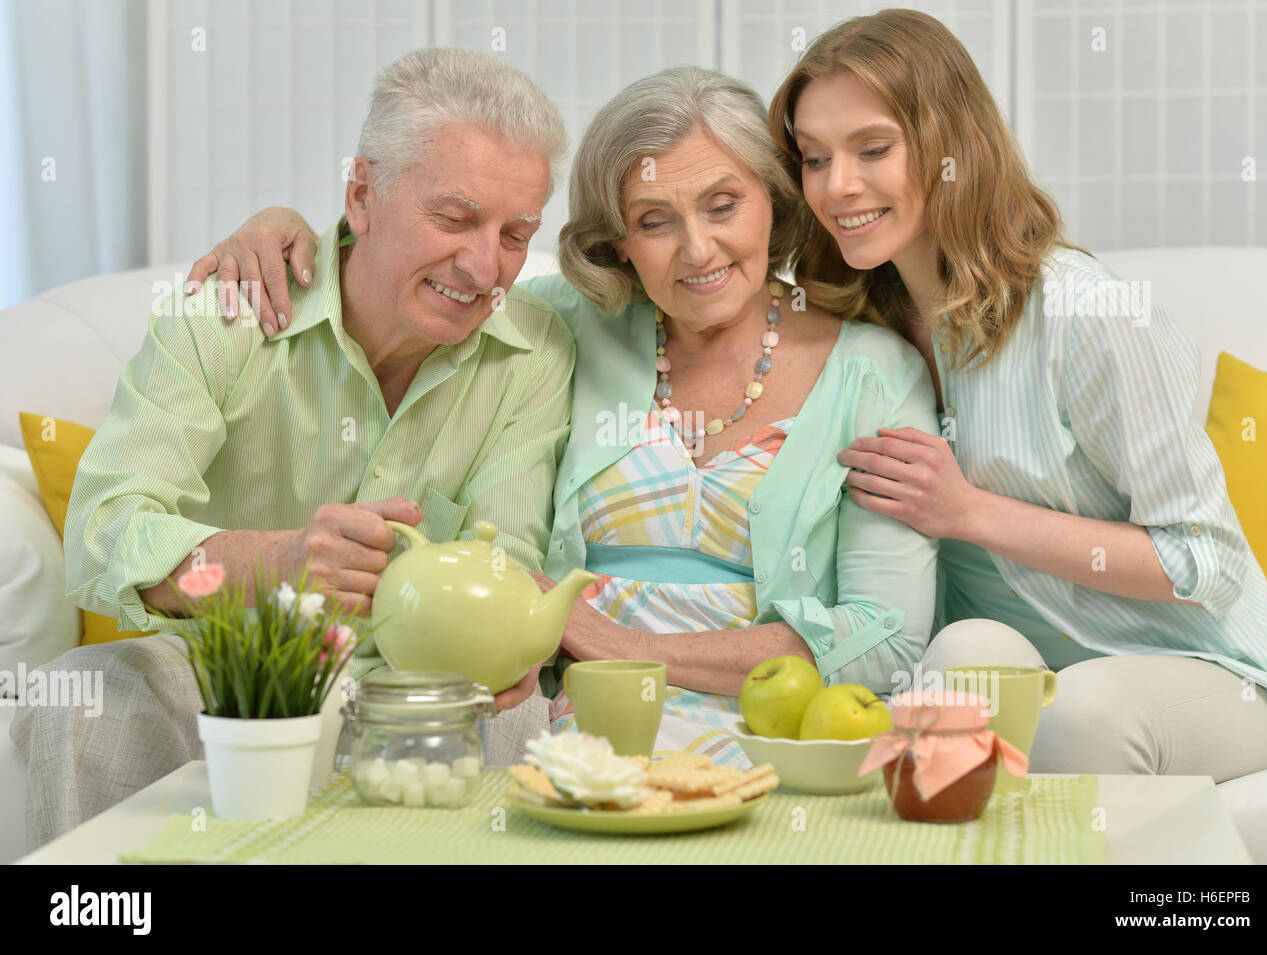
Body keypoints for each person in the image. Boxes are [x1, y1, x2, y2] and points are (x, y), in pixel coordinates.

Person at [185, 66, 939, 768]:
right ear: (617, 241)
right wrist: (286, 234)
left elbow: (887, 640)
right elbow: (403, 281)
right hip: (565, 724)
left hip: (774, 731)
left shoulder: (873, 374)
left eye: (723, 204)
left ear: (774, 201)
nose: (697, 248)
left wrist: (617, 642)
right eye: (654, 220)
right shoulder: (557, 328)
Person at [13, 48, 575, 848]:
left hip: (430, 688)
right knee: (82, 697)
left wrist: (510, 632)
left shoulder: (536, 348)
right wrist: (273, 560)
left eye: (516, 234)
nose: (486, 266)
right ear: (362, 195)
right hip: (230, 677)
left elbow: (511, 548)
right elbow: (106, 525)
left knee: (523, 727)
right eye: (454, 219)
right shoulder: (227, 310)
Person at [773, 10, 1267, 780]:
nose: (837, 185)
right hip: (1039, 668)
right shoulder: (857, 329)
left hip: (1213, 672)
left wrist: (969, 512)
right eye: (814, 158)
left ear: (952, 147)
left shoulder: (1083, 312)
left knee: (1083, 714)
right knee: (955, 666)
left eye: (873, 148)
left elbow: (1204, 562)